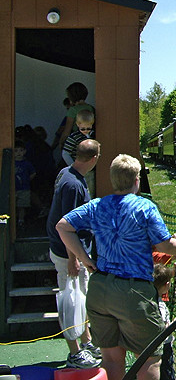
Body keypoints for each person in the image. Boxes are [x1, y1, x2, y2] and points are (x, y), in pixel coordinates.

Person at [56, 154, 176, 380]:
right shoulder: (144, 207)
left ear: (113, 180)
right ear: (137, 180)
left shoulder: (97, 205)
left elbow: (63, 226)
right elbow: (167, 245)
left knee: (111, 359)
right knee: (148, 360)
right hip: (134, 293)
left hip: (100, 289)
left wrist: (85, 259)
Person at [46, 139, 102, 369]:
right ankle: (75, 353)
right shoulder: (73, 185)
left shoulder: (66, 173)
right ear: (94, 159)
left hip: (74, 253)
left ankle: (87, 342)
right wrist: (73, 260)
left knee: (82, 297)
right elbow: (66, 224)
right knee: (70, 302)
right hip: (68, 254)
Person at [62, 109, 97, 197]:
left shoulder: (94, 135)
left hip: (91, 170)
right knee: (81, 192)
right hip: (79, 169)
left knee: (90, 193)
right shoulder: (74, 137)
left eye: (88, 128)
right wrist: (74, 167)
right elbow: (65, 153)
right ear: (77, 124)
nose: (86, 130)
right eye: (83, 128)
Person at [152, 264, 175, 380]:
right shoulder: (160, 306)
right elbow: (162, 328)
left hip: (150, 346)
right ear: (167, 285)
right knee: (167, 373)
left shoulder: (150, 301)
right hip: (163, 347)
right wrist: (173, 325)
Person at [58, 83, 95, 153]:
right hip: (89, 140)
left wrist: (61, 142)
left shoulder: (73, 110)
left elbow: (67, 131)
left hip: (76, 142)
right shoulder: (91, 108)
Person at [14, 139, 36, 227]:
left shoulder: (27, 163)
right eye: (16, 151)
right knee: (13, 205)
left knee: (22, 205)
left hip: (24, 188)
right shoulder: (11, 163)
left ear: (25, 151)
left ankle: (21, 220)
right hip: (13, 188)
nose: (19, 153)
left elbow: (33, 173)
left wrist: (27, 180)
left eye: (21, 150)